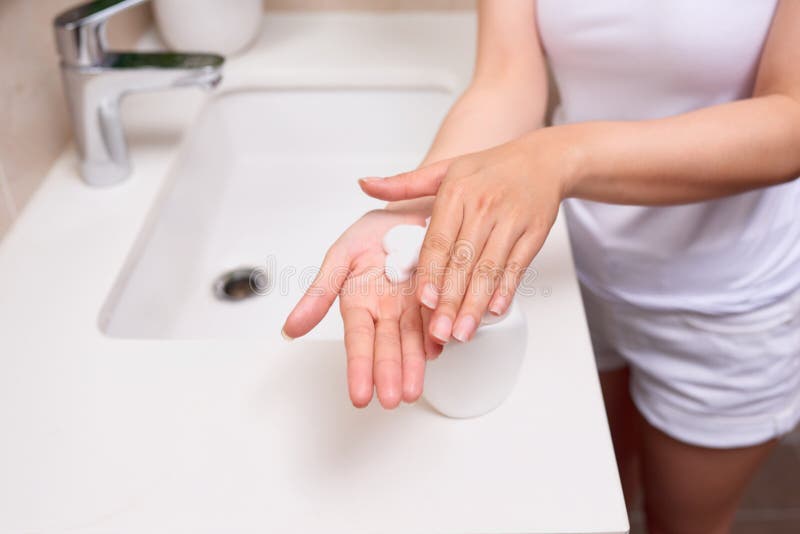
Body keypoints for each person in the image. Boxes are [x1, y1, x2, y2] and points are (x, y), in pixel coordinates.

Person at [283, 1, 800, 532]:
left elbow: (791, 120)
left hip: (726, 299)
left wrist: (561, 156)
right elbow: (507, 79)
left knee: (681, 522)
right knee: (602, 500)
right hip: (574, 270)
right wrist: (415, 217)